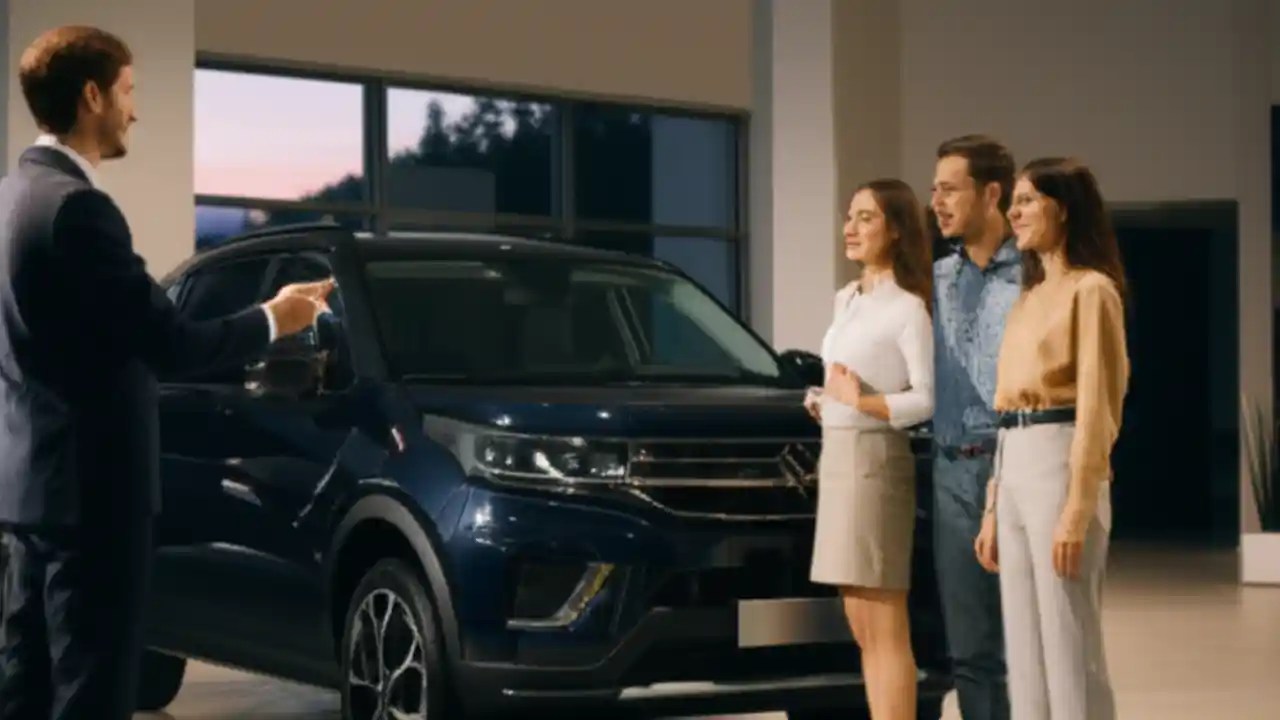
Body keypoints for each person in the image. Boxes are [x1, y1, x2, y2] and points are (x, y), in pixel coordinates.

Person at [0, 25, 332, 719]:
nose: (134, 109)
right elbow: (171, 343)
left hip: (31, 490)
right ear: (92, 95)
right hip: (95, 497)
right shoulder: (78, 209)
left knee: (26, 686)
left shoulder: (10, 201)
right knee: (93, 689)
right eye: (127, 91)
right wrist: (277, 318)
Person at [975, 157, 1127, 720]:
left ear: (1061, 209)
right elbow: (1005, 411)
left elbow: (1098, 406)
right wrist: (993, 507)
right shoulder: (1028, 299)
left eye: (1026, 200)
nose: (1012, 212)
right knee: (1025, 644)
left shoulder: (1092, 292)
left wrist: (1077, 508)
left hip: (1060, 460)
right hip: (1014, 462)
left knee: (1068, 640)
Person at [807, 179, 934, 720]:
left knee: (885, 628)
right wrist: (826, 400)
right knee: (861, 627)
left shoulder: (909, 309)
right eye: (849, 216)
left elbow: (927, 399)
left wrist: (863, 400)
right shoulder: (847, 298)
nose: (850, 228)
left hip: (875, 465)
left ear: (896, 229)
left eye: (866, 218)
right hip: (837, 458)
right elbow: (846, 384)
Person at [928, 134, 1020, 720]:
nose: (936, 200)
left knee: (1034, 642)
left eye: (949, 188)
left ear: (991, 194)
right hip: (949, 472)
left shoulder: (1035, 274)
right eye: (933, 188)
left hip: (1015, 463)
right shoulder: (937, 278)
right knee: (969, 649)